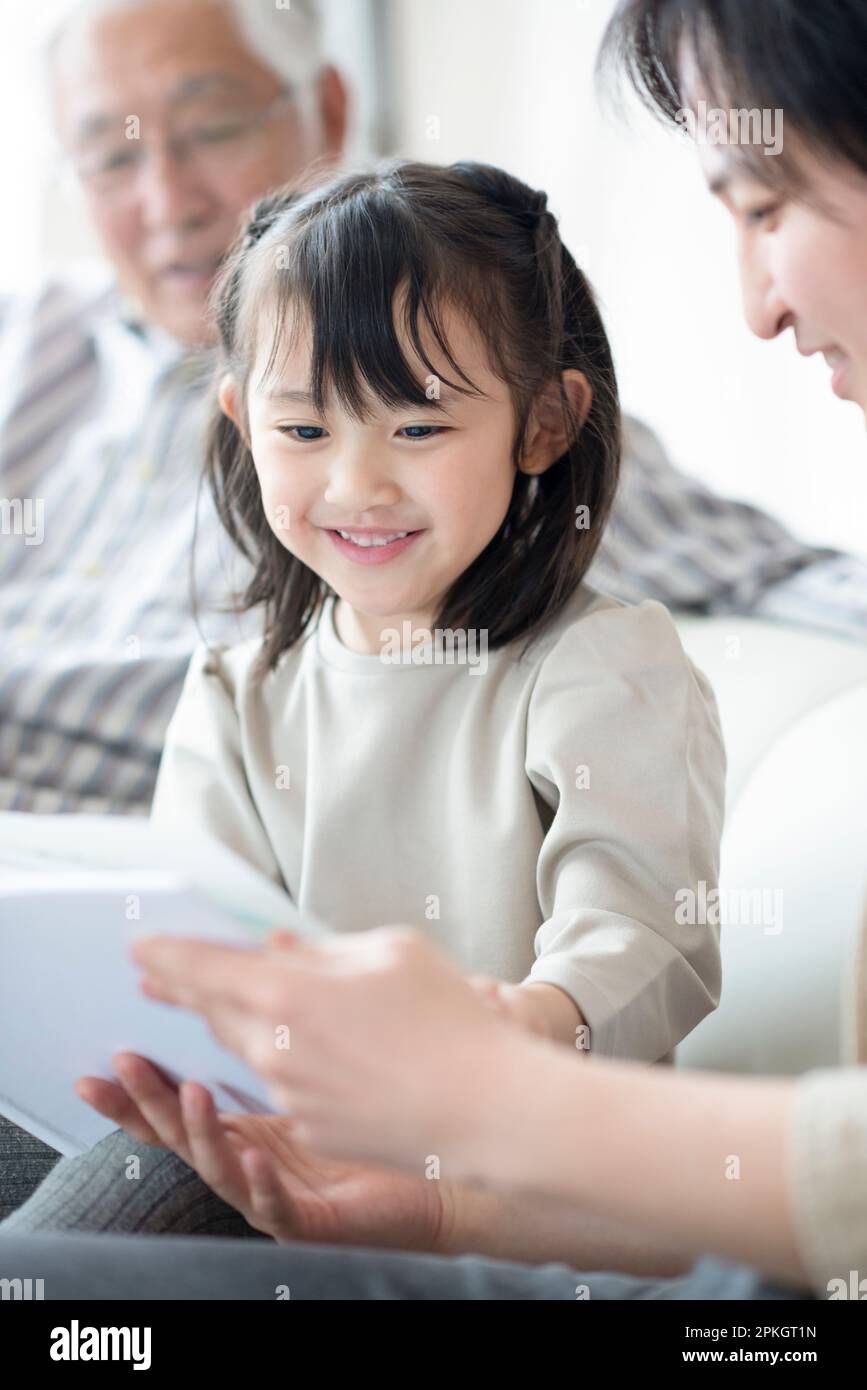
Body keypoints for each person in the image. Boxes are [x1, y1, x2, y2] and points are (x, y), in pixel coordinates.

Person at [3, 0, 863, 1301]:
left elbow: (643, 933)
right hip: (266, 1133)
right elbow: (196, 949)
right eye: (301, 432)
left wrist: (519, 1030)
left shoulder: (596, 666)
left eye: (412, 429)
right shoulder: (238, 691)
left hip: (529, 1174)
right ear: (239, 424)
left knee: (73, 1247)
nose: (356, 484)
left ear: (542, 425)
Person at [1, 0, 864, 823]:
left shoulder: (465, 381)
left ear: (330, 109)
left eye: (213, 128)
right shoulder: (30, 341)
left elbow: (776, 572)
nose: (167, 201)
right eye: (112, 157)